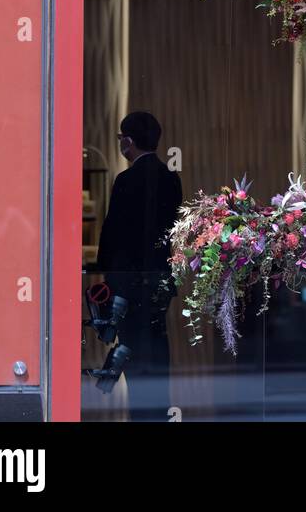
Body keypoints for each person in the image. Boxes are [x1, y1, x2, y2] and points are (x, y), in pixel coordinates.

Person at [97, 111, 183, 421]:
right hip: (159, 279)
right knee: (158, 351)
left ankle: (140, 416)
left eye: (121, 138)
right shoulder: (172, 179)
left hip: (128, 283)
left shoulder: (125, 180)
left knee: (131, 351)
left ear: (128, 142)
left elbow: (113, 232)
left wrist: (104, 273)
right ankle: (159, 414)